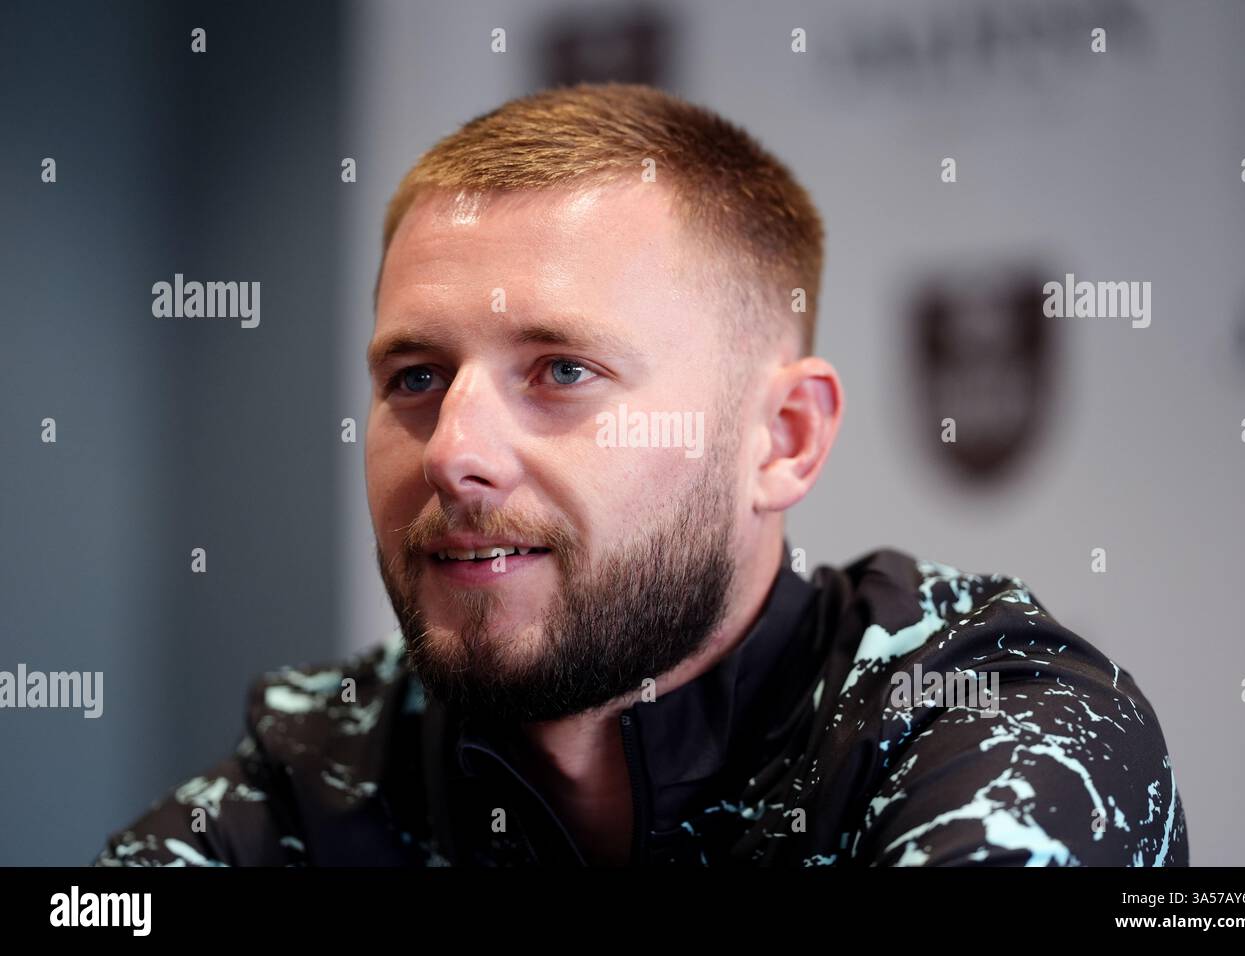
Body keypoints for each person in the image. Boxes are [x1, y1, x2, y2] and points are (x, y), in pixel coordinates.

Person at [95, 83, 1188, 867]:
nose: (453, 451)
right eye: (416, 375)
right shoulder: (323, 758)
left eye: (563, 369)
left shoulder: (986, 720)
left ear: (783, 437)